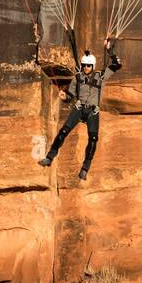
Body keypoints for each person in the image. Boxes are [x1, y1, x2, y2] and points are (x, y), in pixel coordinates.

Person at [40, 38, 122, 180]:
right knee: (63, 132)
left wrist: (109, 50)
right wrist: (64, 96)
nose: (86, 68)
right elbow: (70, 96)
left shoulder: (100, 76)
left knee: (93, 139)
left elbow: (117, 64)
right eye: (84, 65)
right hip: (79, 108)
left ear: (93, 66)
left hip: (92, 111)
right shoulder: (77, 78)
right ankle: (49, 157)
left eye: (88, 66)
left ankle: (85, 168)